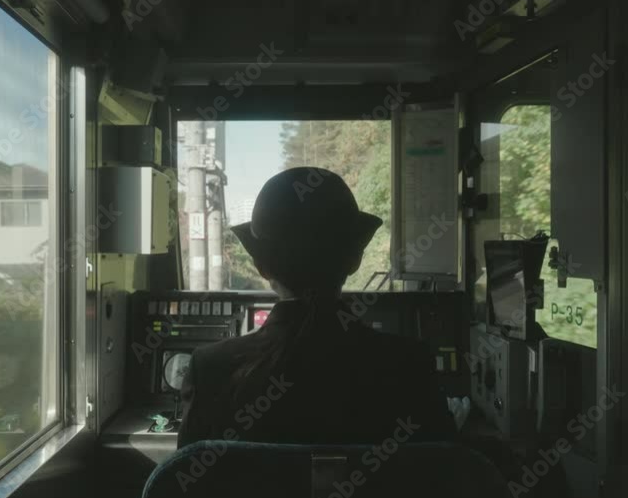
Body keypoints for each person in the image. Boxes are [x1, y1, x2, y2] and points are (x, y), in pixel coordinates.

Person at [177, 167, 456, 448]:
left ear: (261, 267)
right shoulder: (410, 367)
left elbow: (187, 484)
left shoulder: (210, 370)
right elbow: (441, 476)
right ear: (354, 261)